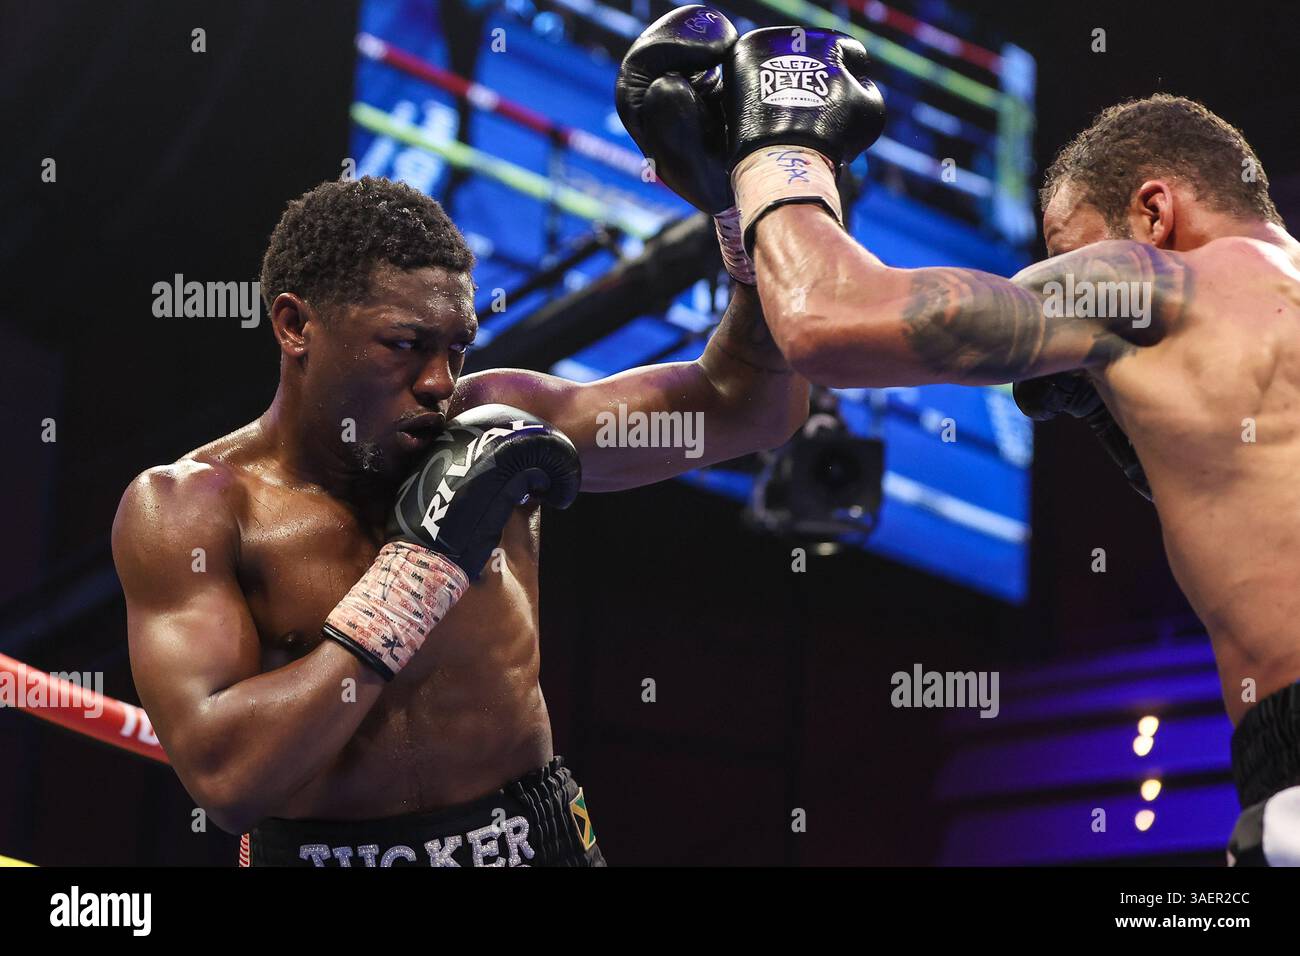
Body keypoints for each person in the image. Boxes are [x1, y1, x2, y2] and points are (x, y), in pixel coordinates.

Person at [620, 13, 1300, 864]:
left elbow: (829, 321)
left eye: (1063, 254)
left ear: (1152, 213)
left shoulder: (1148, 284)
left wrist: (772, 157)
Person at [112, 175, 808, 866]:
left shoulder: (497, 428)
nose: (439, 382)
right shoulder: (192, 509)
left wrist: (746, 217)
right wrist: (414, 582)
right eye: (405, 344)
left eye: (457, 347)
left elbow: (750, 406)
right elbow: (228, 781)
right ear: (296, 326)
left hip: (533, 846)